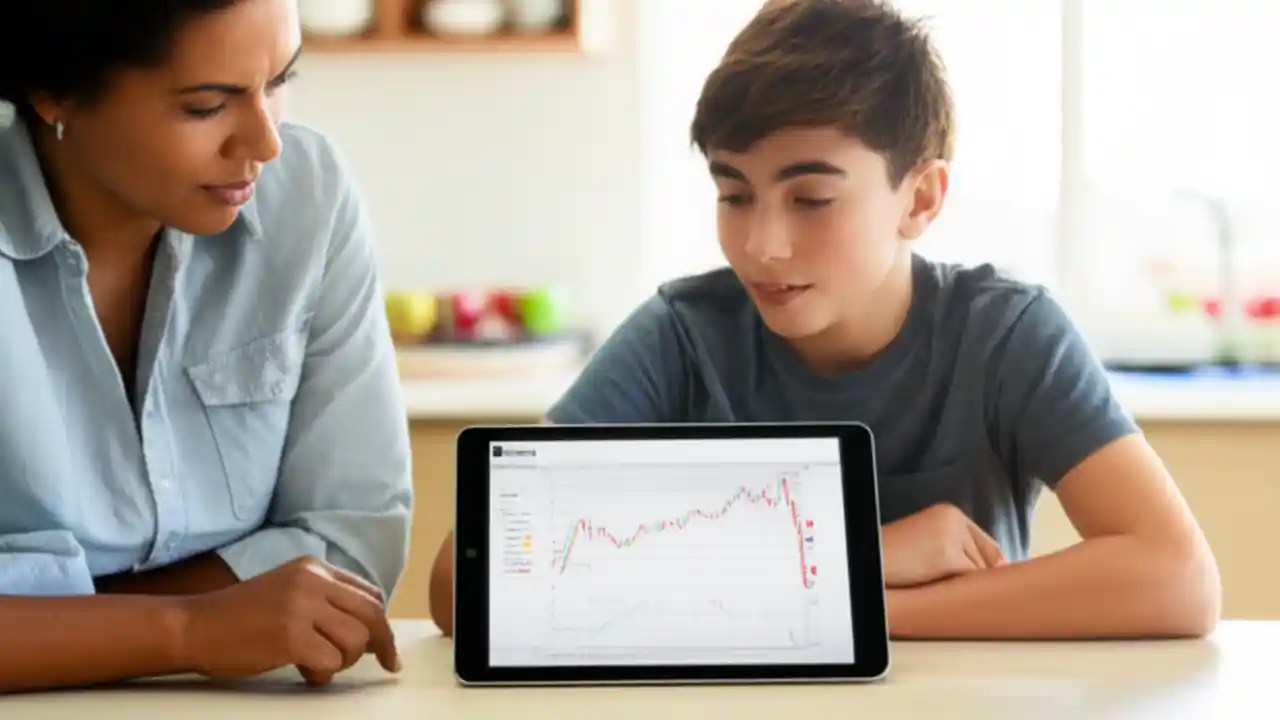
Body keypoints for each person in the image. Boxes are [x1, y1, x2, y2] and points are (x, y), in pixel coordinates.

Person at [430, 0, 1220, 639]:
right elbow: (463, 584)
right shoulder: (683, 335)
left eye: (812, 199)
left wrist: (856, 607)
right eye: (733, 194)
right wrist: (856, 558)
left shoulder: (1008, 336)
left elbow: (1177, 579)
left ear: (920, 197)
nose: (762, 246)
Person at [0, 0, 412, 692]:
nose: (265, 141)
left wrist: (45, 633)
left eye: (280, 81)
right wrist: (191, 628)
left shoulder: (306, 196)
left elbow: (350, 546)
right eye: (205, 106)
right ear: (54, 92)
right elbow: (269, 604)